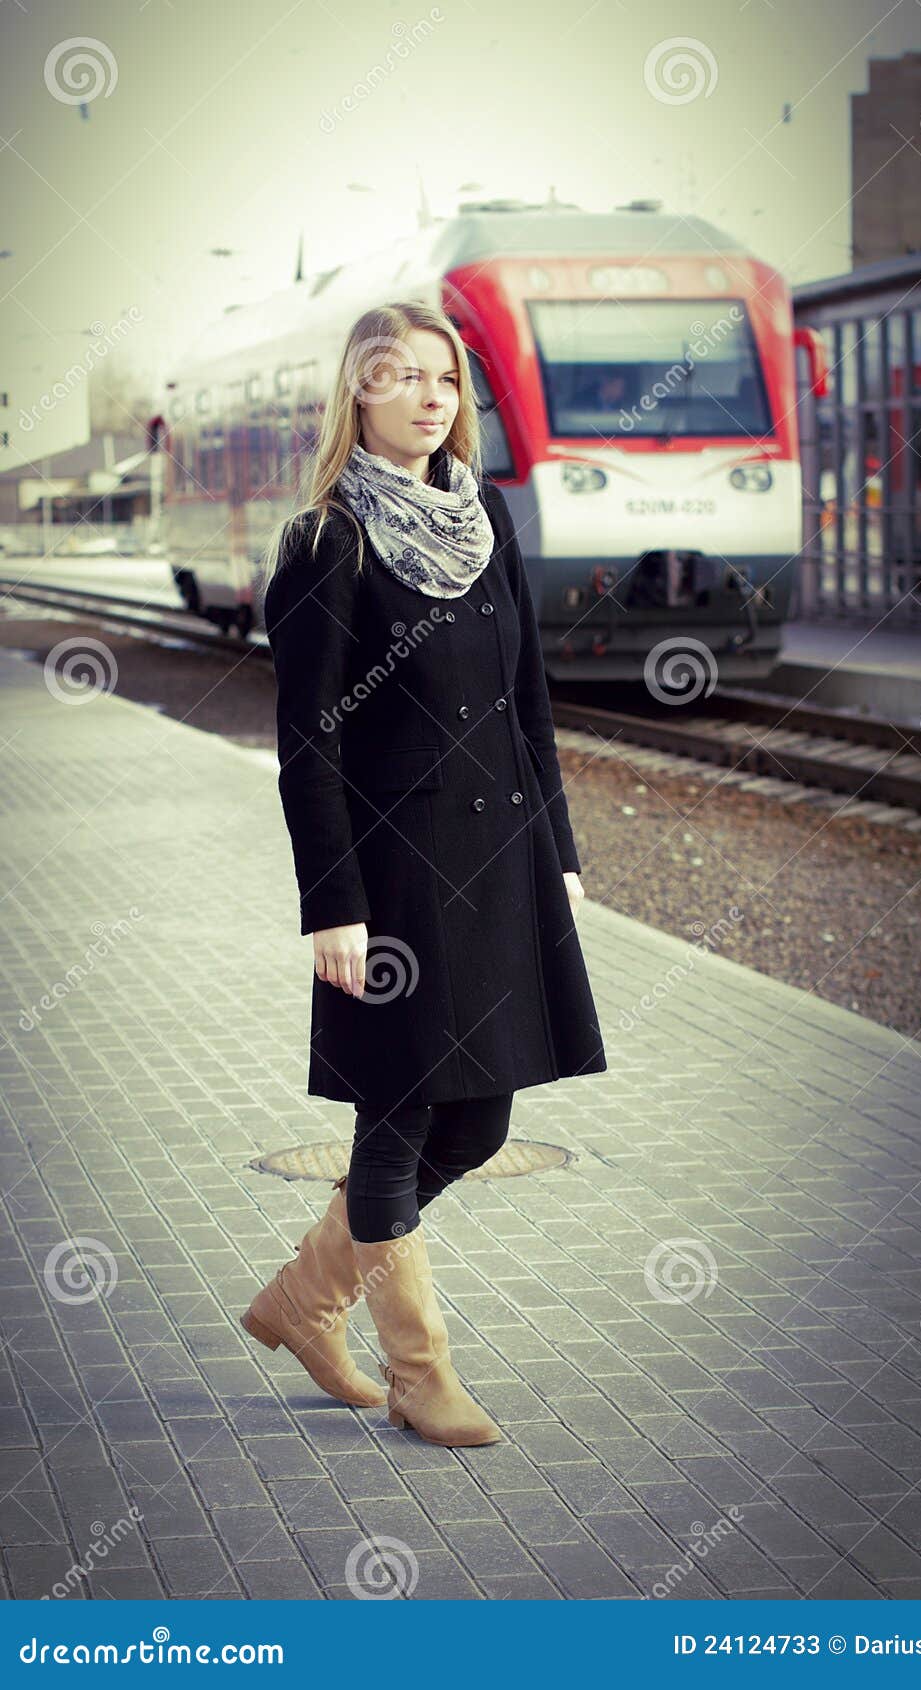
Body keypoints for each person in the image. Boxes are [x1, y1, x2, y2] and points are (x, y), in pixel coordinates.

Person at [240, 301, 608, 1448]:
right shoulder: (326, 541)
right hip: (393, 877)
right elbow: (309, 742)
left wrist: (558, 855)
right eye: (398, 376)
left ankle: (306, 1297)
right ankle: (418, 1368)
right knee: (396, 1118)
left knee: (480, 1121)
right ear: (359, 394)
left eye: (443, 377)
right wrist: (331, 903)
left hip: (497, 860)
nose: (428, 395)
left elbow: (528, 707)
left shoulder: (482, 516)